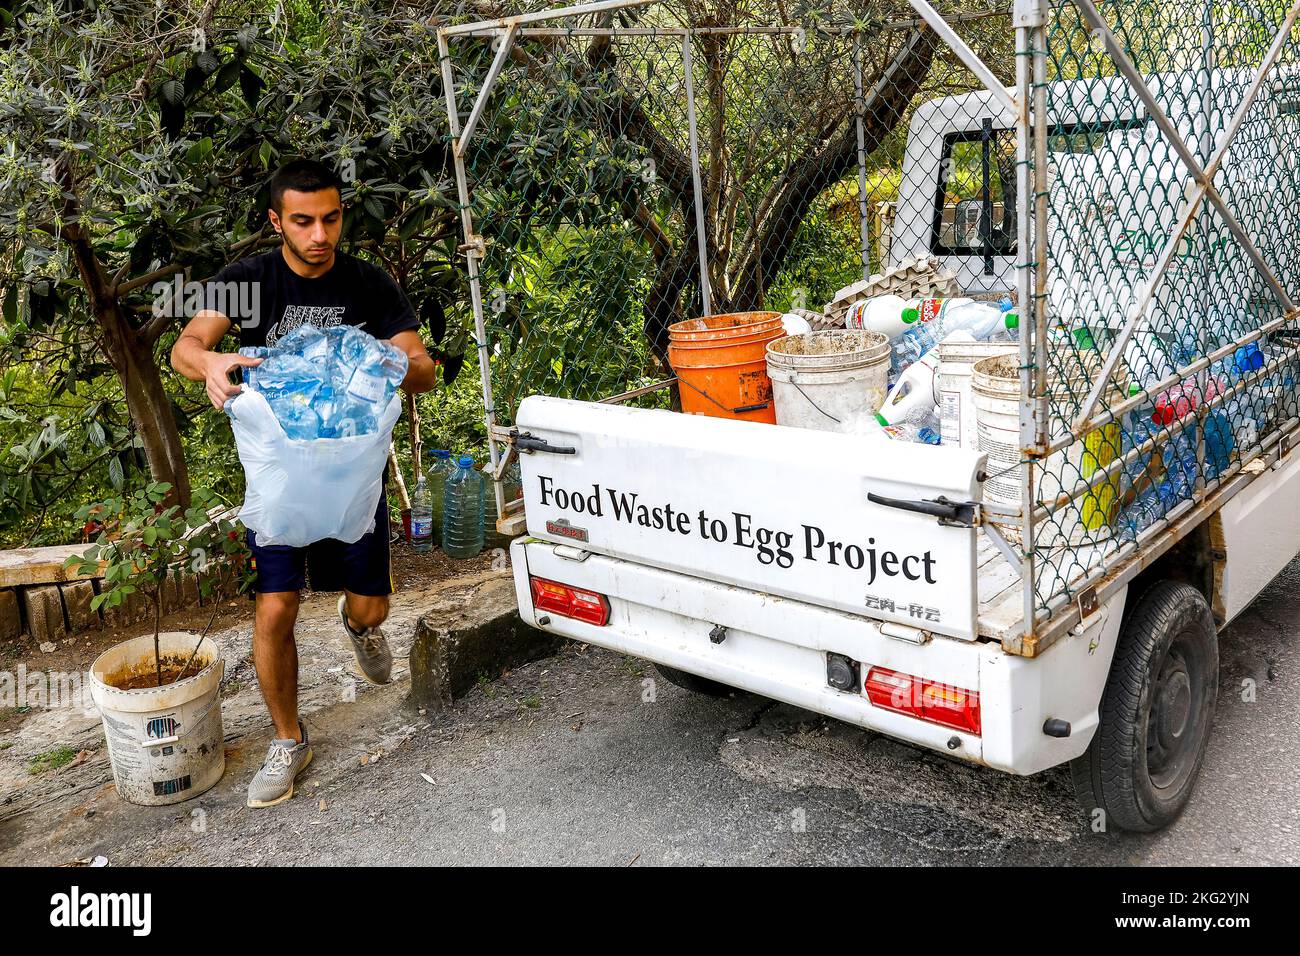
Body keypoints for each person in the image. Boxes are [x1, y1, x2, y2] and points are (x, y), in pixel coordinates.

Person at [171, 159, 437, 807]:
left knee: (372, 604)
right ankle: (289, 739)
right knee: (276, 605)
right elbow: (185, 346)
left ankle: (361, 628)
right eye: (303, 221)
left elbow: (423, 370)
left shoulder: (370, 285)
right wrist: (209, 360)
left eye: (331, 218)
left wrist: (383, 359)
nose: (320, 234)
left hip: (352, 478)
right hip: (283, 480)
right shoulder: (249, 282)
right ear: (276, 221)